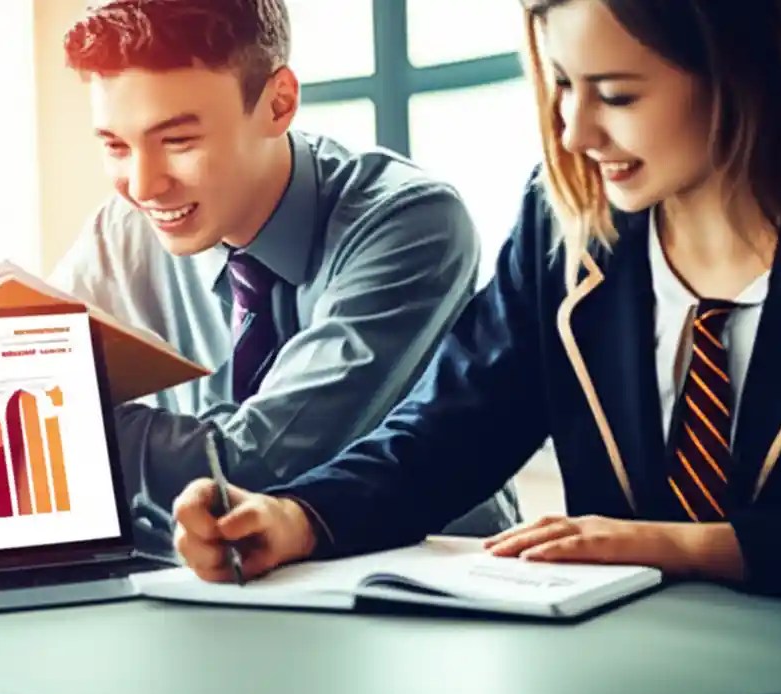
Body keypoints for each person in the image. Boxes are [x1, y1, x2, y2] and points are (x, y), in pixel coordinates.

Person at [171, 0, 781, 601]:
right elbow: (450, 429)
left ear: (742, 71)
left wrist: (688, 548)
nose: (575, 132)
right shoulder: (565, 229)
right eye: (561, 85)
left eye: (617, 95)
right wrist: (297, 517)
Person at [52, 0, 518, 553]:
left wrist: (59, 432)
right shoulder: (121, 232)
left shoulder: (411, 223)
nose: (144, 185)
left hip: (420, 583)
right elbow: (35, 376)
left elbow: (259, 465)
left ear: (278, 103)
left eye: (178, 142)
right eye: (115, 146)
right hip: (208, 586)